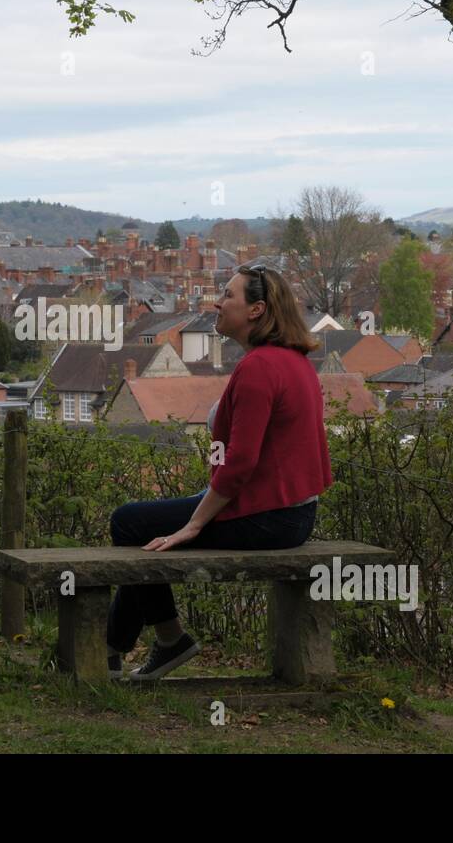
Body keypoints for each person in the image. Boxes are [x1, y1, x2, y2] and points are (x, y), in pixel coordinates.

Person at [106, 263, 334, 680]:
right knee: (143, 528)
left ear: (256, 310)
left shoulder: (261, 367)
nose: (217, 302)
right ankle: (126, 649)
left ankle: (153, 644)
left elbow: (241, 462)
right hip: (291, 515)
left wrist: (193, 524)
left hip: (268, 519)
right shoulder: (294, 361)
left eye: (228, 295)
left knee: (127, 522)